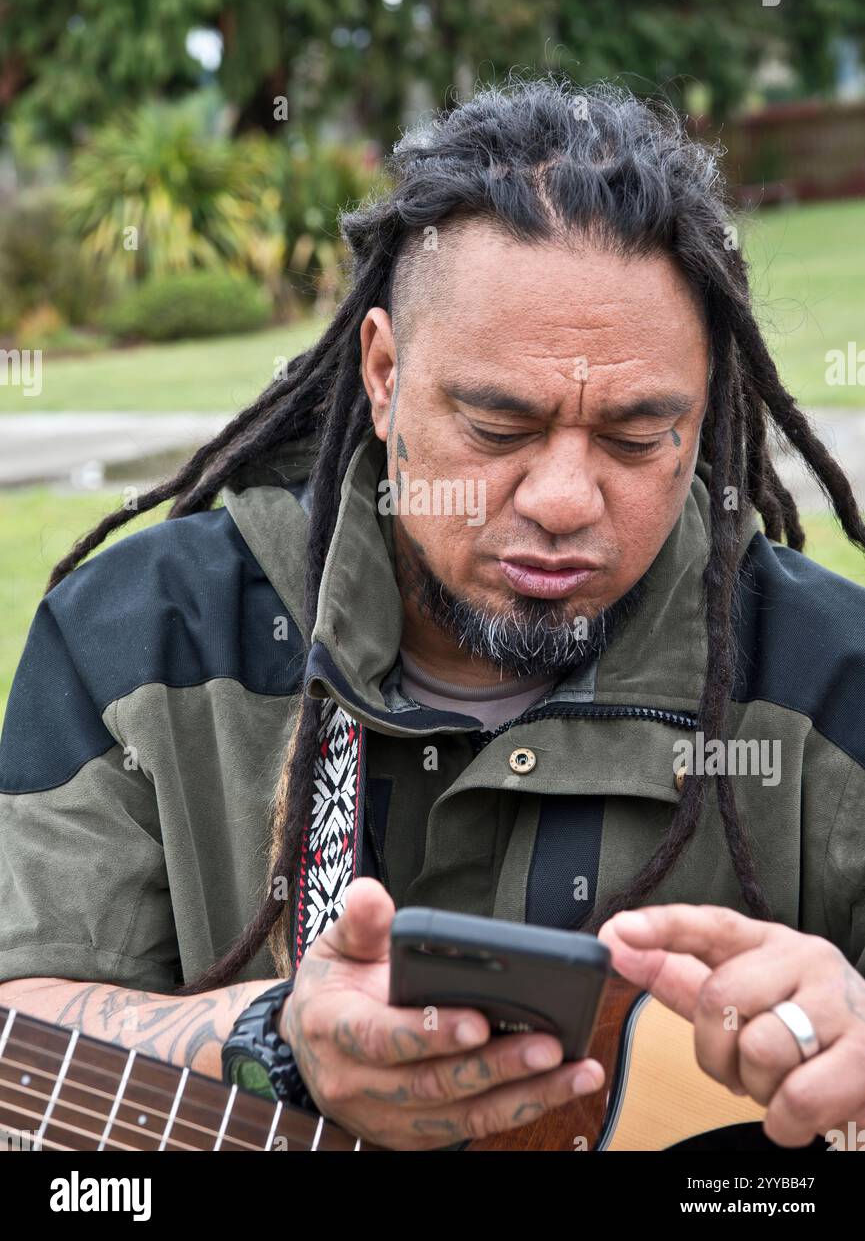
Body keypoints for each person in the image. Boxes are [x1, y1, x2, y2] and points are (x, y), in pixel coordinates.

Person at [2, 79, 865, 1153]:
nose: (562, 501)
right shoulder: (141, 640)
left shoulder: (834, 675)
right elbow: (15, 1036)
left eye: (637, 438)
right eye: (499, 424)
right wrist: (272, 1038)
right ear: (382, 371)